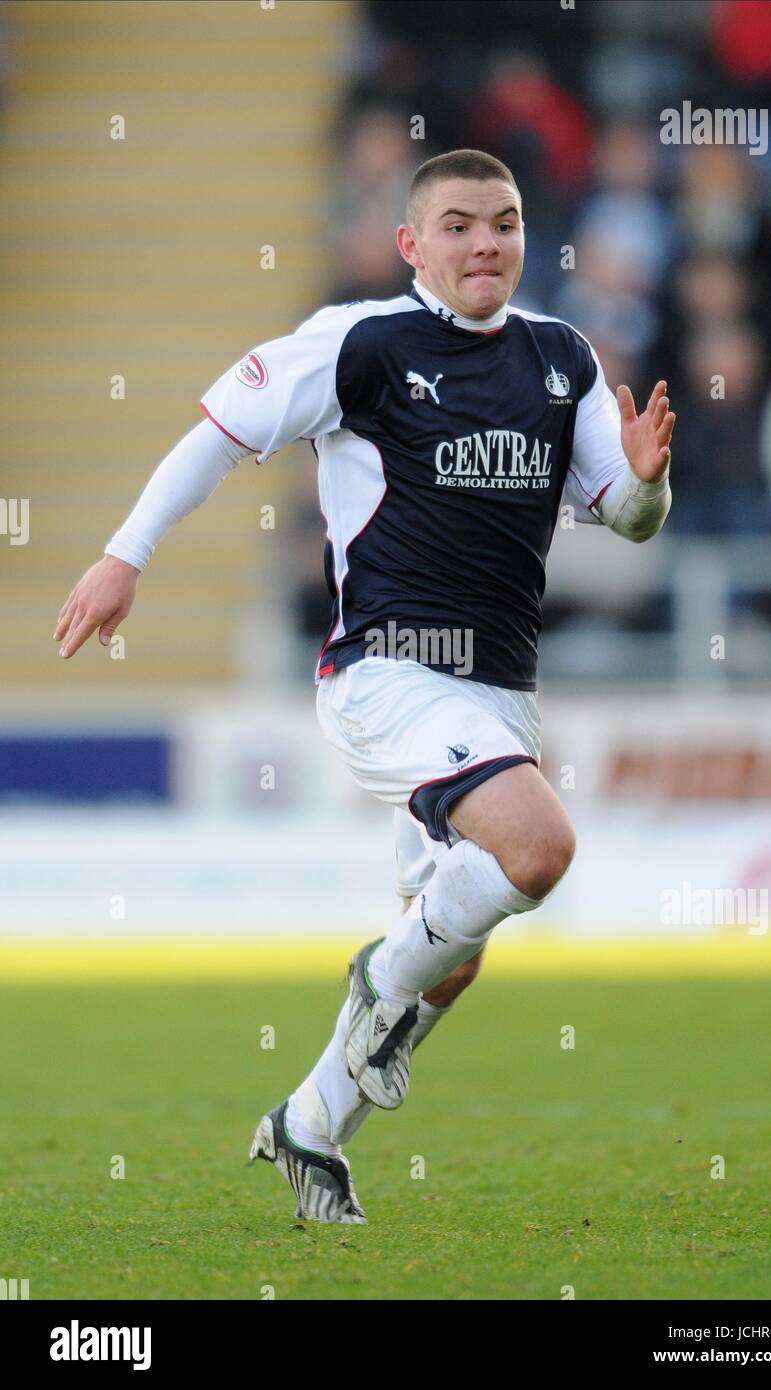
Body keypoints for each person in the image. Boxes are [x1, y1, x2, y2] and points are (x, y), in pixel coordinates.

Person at [53, 149, 675, 1225]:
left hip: (500, 693)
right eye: (458, 224)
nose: (486, 242)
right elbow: (217, 436)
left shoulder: (561, 357)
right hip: (387, 674)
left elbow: (621, 518)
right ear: (410, 244)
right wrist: (125, 554)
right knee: (538, 848)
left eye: (506, 221)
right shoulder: (363, 342)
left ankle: (307, 1124)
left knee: (450, 967)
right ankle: (375, 980)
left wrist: (647, 482)